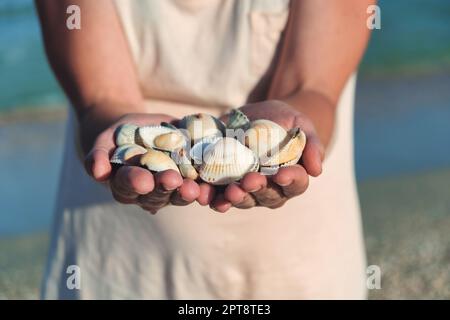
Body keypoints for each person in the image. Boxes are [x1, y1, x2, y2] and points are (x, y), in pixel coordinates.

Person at [36, 0, 373, 299]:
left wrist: (292, 131)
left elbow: (311, 87)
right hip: (120, 262)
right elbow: (102, 96)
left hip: (298, 261)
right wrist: (118, 131)